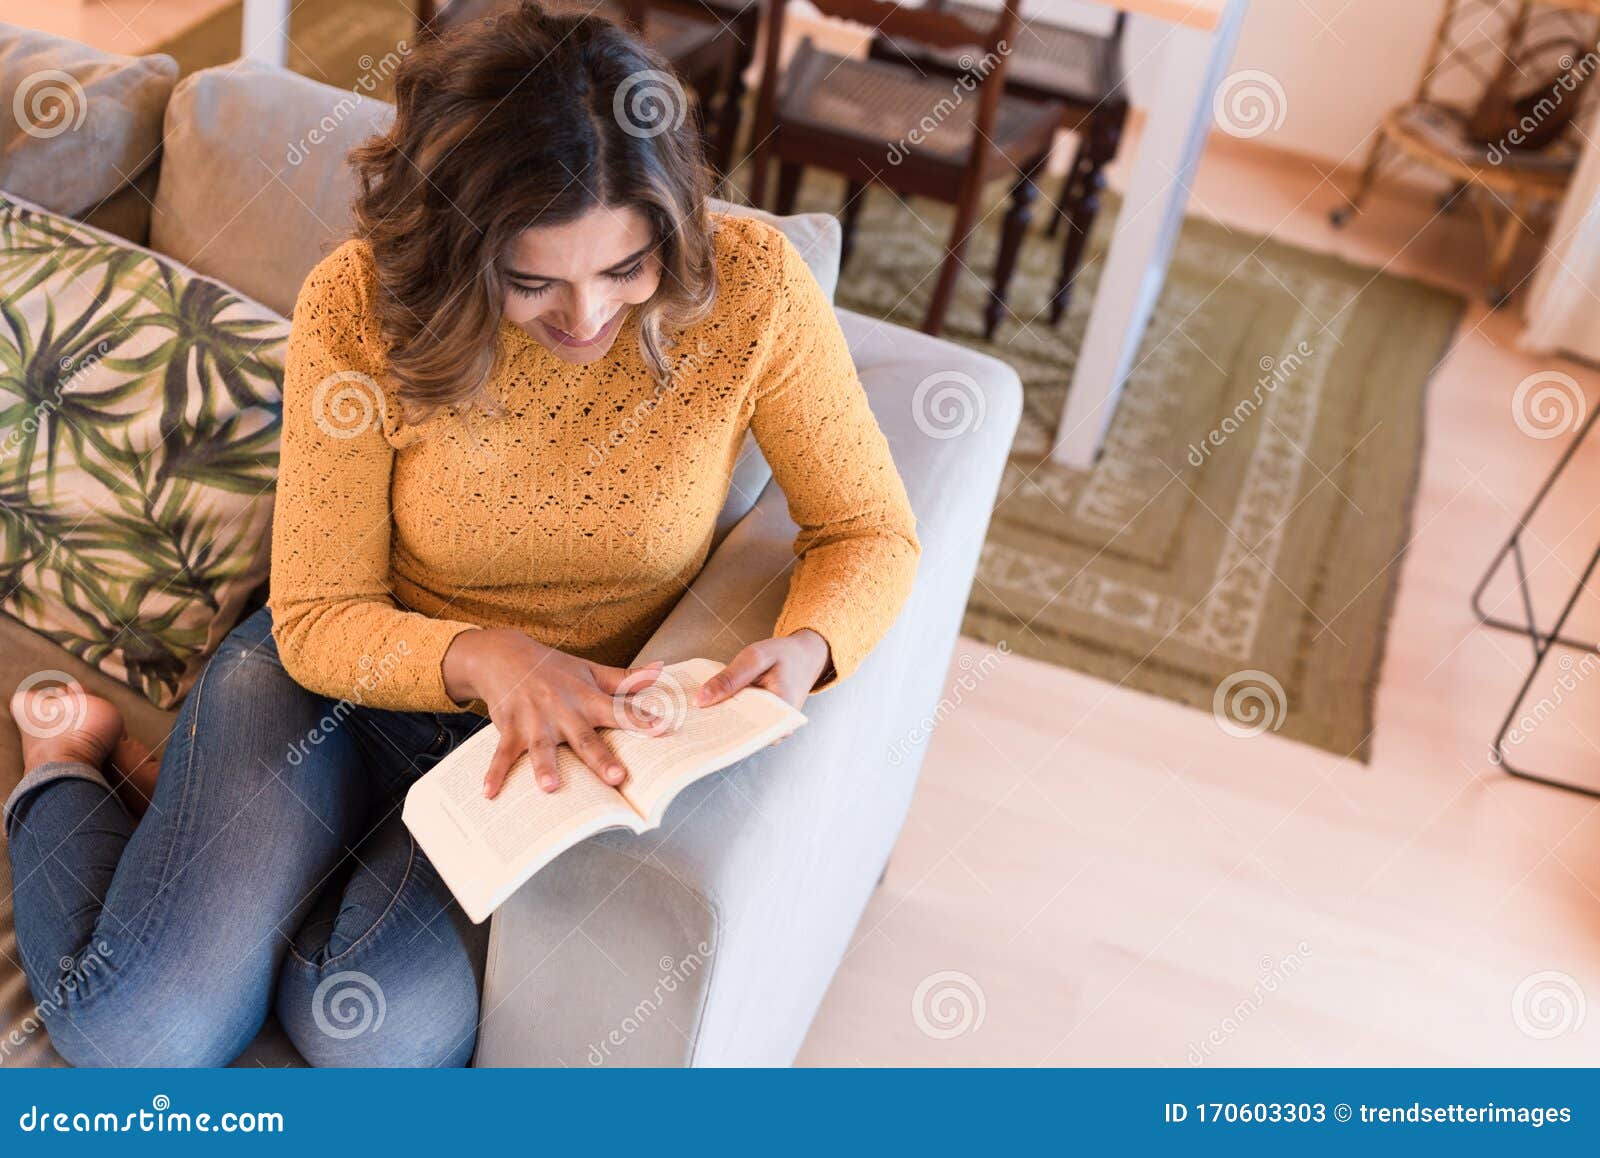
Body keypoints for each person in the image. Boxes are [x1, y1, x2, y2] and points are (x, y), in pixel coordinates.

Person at [4, 0, 919, 1068]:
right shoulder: (361, 304)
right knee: (137, 1035)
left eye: (625, 271)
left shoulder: (753, 289)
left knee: (374, 1031)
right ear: (460, 247)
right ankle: (66, 766)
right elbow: (317, 615)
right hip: (332, 684)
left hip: (531, 733)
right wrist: (490, 656)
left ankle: (222, 834)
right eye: (532, 283)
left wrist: (805, 650)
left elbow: (865, 528)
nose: (584, 319)